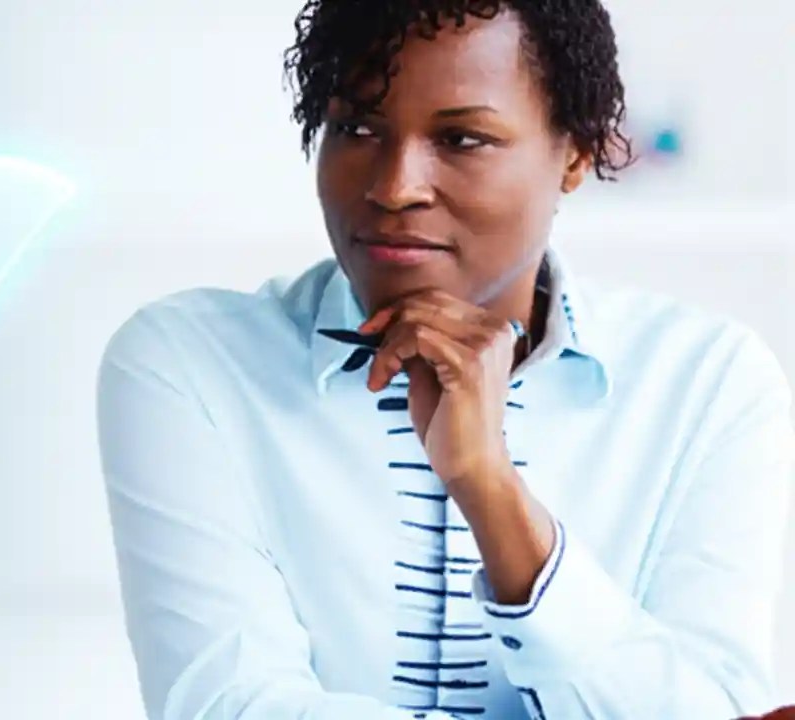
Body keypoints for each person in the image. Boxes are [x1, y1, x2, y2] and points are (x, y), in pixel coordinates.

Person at [95, 1, 795, 719]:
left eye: (462, 138)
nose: (396, 187)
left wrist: (490, 488)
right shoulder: (190, 365)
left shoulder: (709, 385)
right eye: (357, 128)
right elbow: (229, 706)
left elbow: (717, 707)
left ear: (577, 153)